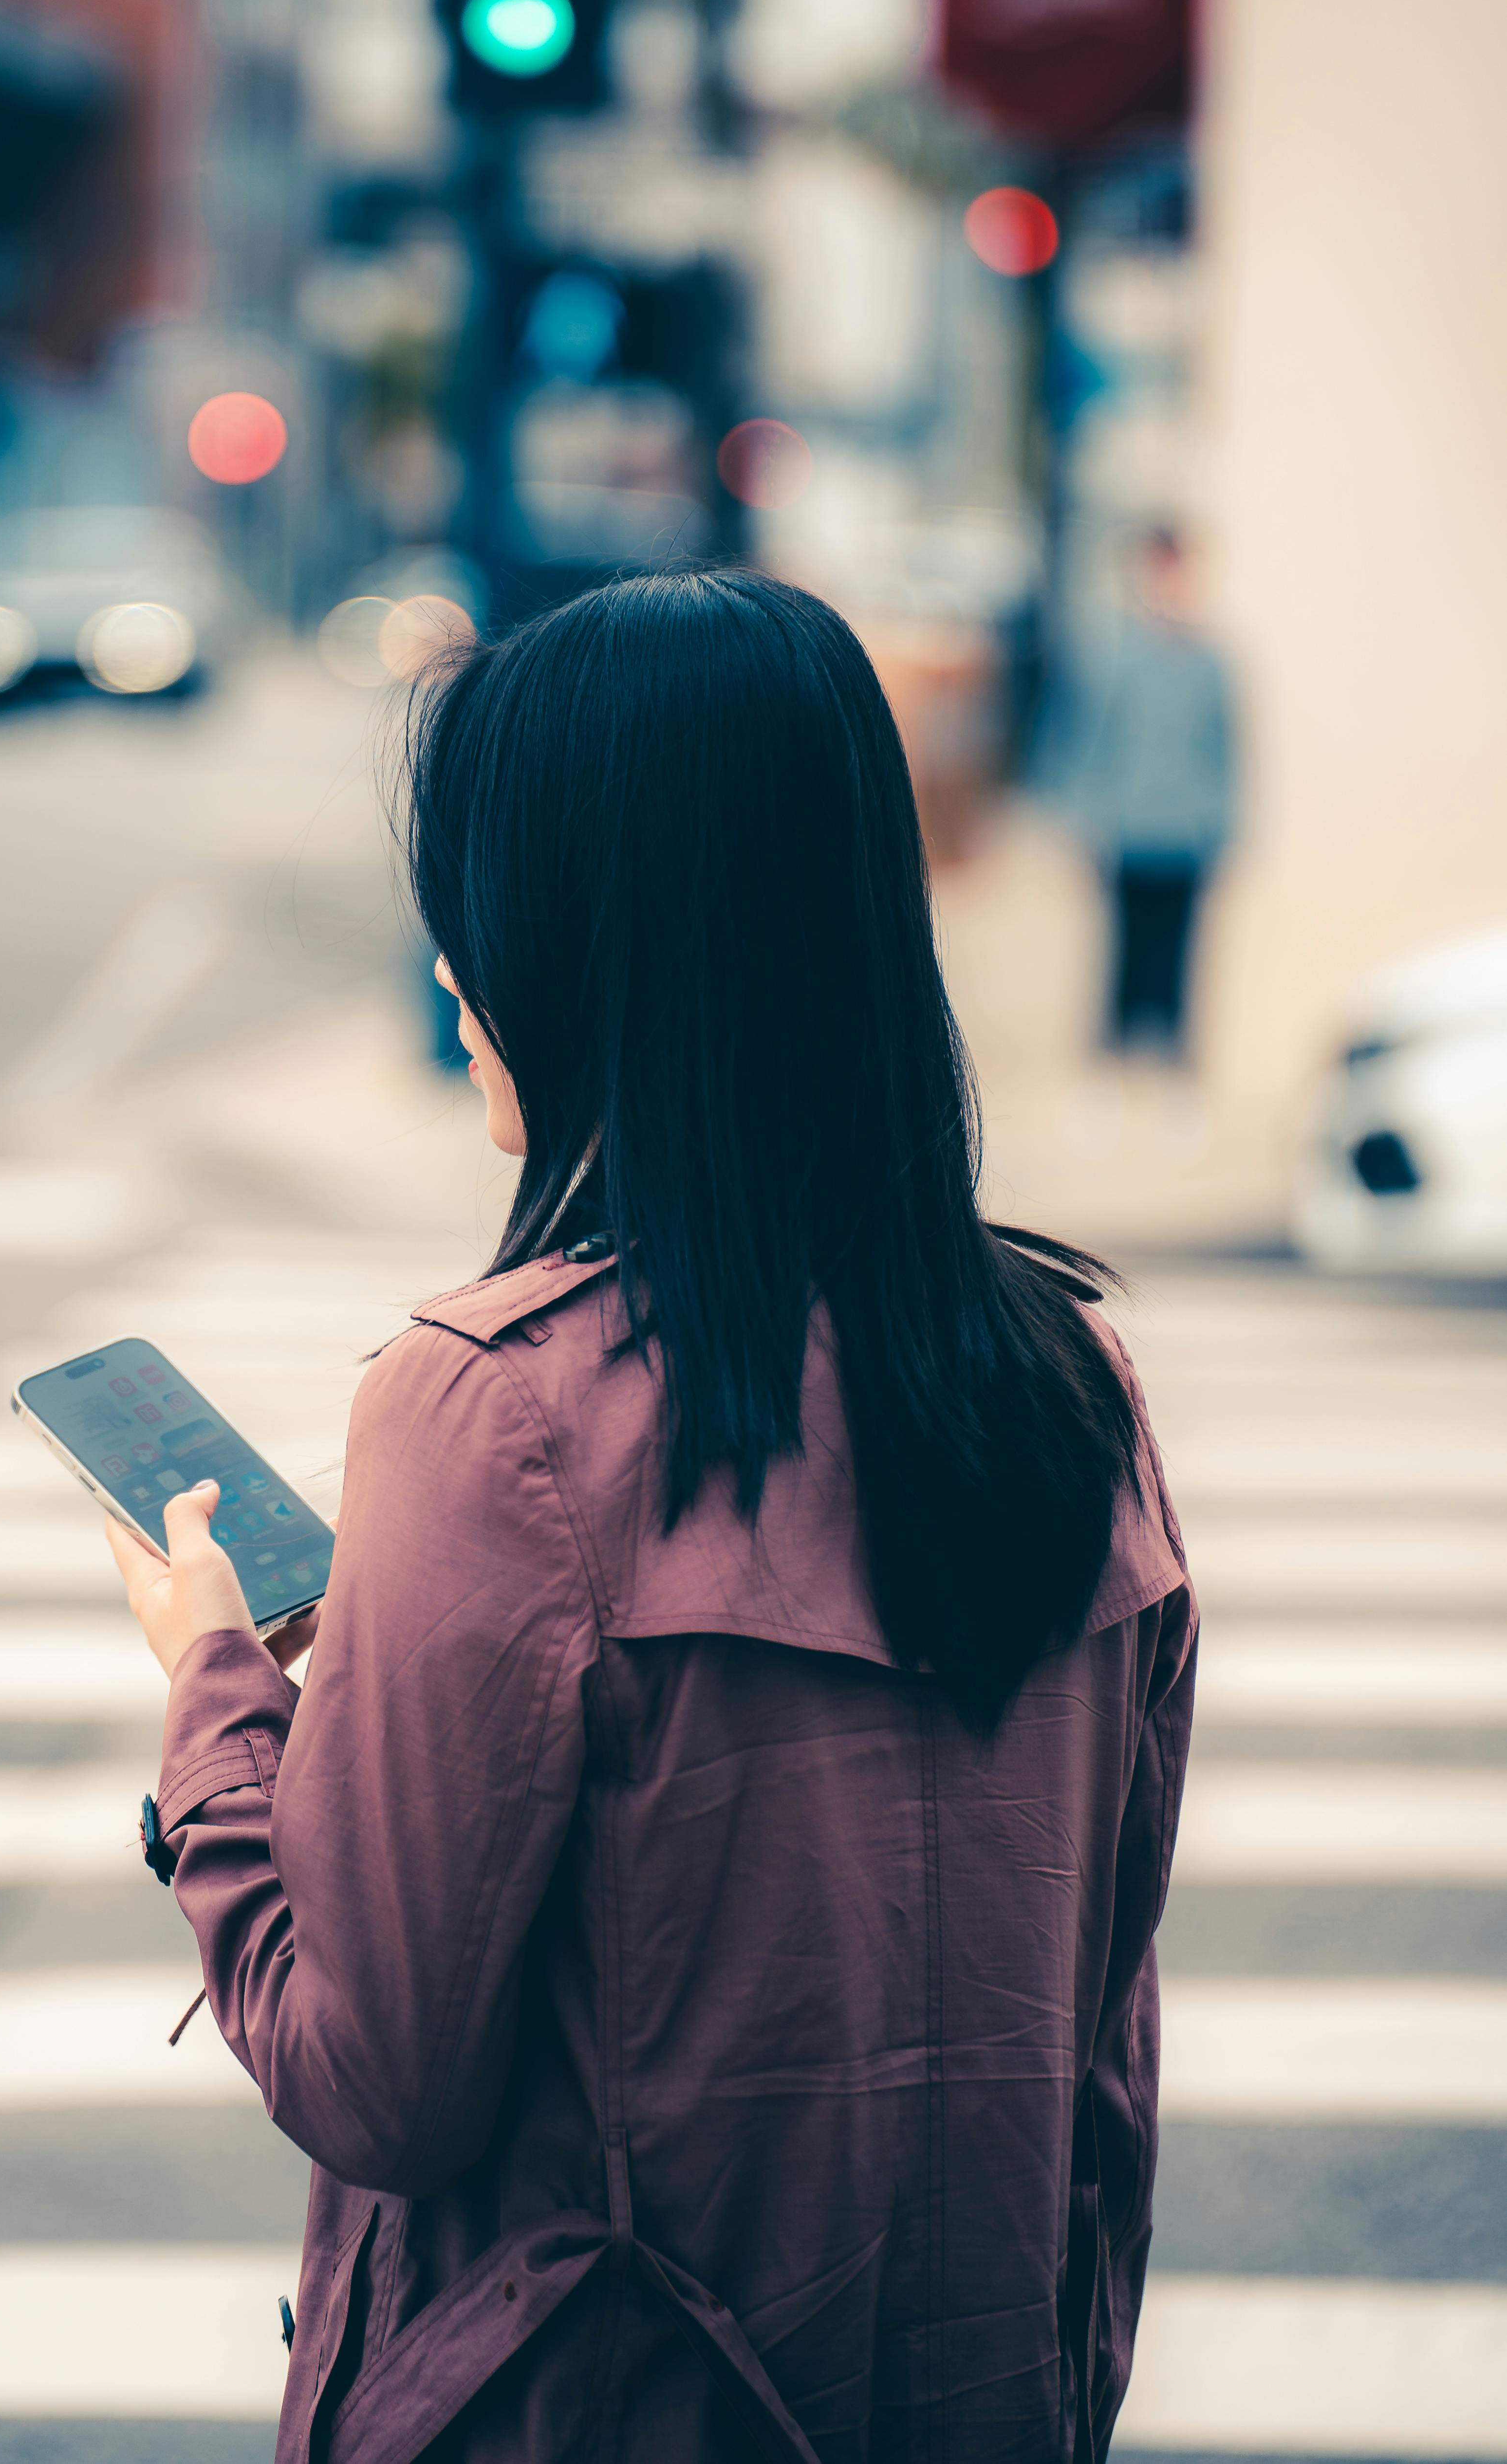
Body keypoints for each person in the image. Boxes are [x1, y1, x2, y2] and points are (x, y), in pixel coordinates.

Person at [108, 569, 1196, 2464]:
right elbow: (1099, 2035)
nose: (451, 969)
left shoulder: (491, 1407)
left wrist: (219, 1684)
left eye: (476, 907)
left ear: (579, 944)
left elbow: (373, 2081)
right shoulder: (1069, 1378)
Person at [1060, 525, 1239, 1054]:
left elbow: (1225, 748)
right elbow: (1087, 741)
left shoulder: (1211, 662)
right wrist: (1085, 819)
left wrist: (1222, 825)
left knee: (1178, 955)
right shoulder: (1111, 655)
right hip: (1127, 828)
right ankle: (1113, 1054)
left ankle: (1174, 1056)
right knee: (1123, 952)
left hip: (1186, 833)